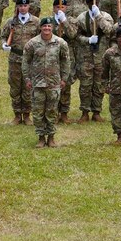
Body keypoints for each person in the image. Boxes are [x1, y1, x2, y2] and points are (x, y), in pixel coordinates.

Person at [25, 15, 71, 147]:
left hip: (53, 83)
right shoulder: (32, 43)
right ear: (40, 27)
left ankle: (51, 137)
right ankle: (41, 137)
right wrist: (27, 78)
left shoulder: (60, 43)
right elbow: (26, 62)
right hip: (37, 83)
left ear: (52, 28)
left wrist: (64, 78)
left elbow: (66, 61)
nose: (47, 28)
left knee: (52, 111)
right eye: (44, 26)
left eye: (49, 26)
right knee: (38, 112)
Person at [71, 2, 115, 123]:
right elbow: (76, 36)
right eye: (90, 3)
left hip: (101, 57)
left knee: (99, 85)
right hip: (85, 57)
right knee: (85, 86)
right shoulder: (81, 18)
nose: (92, 5)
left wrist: (98, 17)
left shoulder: (106, 16)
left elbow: (109, 31)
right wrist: (88, 40)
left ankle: (96, 111)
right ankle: (84, 112)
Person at [2, 0, 42, 124]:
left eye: (25, 6)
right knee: (15, 87)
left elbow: (41, 38)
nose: (23, 8)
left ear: (29, 6)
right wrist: (4, 44)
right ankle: (17, 115)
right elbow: (3, 36)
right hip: (15, 59)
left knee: (28, 87)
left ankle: (27, 114)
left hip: (30, 60)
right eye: (20, 6)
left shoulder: (36, 22)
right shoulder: (11, 22)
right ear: (17, 7)